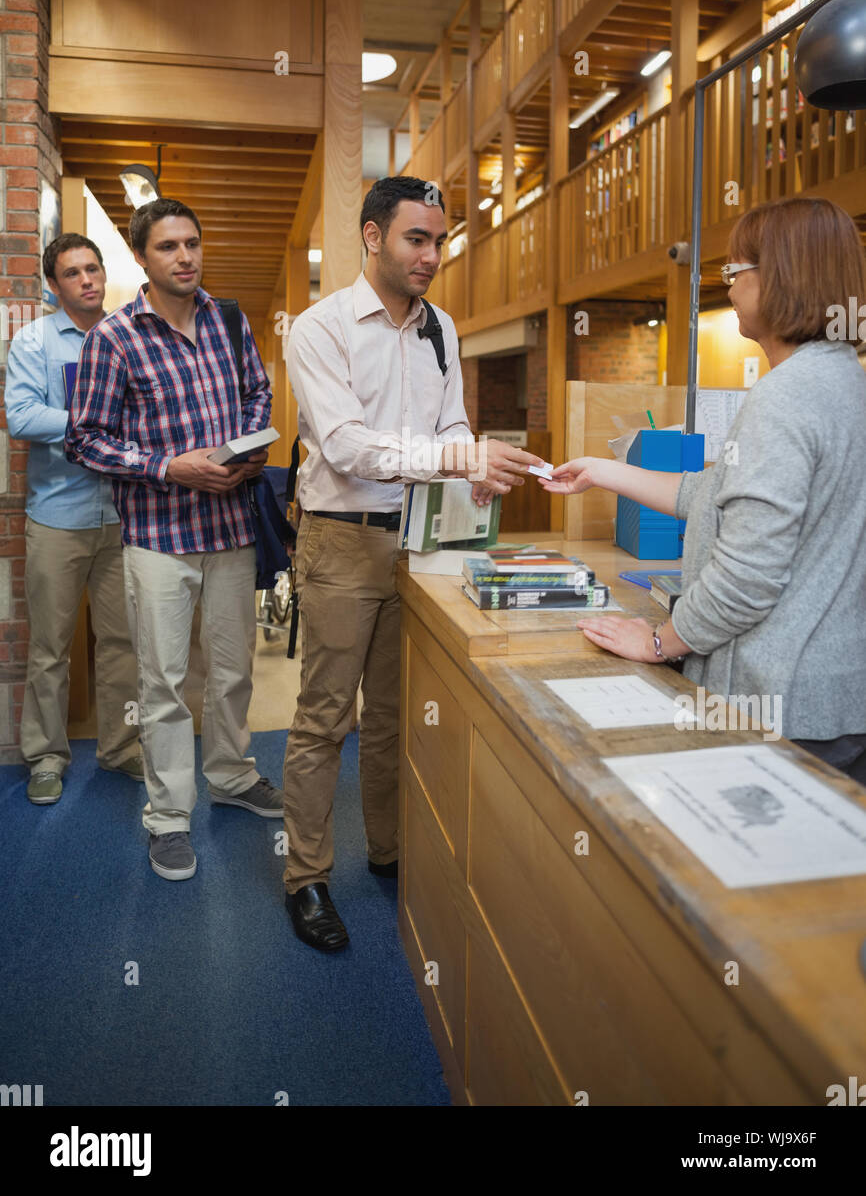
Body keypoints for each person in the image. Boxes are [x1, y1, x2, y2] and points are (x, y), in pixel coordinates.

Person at [283, 175, 546, 951]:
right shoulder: (321, 327)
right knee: (327, 717)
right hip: (341, 538)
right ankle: (306, 877)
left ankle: (390, 852)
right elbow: (345, 444)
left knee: (398, 714)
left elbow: (454, 419)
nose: (432, 255)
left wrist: (475, 461)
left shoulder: (442, 326)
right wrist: (455, 455)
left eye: (440, 240)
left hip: (420, 540)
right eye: (416, 239)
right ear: (373, 236)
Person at [541, 196, 866, 785]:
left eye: (735, 272)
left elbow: (746, 580)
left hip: (781, 702)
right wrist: (600, 469)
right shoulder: (843, 379)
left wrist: (661, 641)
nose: (731, 289)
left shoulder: (785, 398)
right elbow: (711, 496)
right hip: (836, 700)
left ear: (781, 278)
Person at [65, 198, 282, 880]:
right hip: (159, 536)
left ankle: (233, 775)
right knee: (162, 684)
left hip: (230, 529)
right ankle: (167, 817)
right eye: (168, 247)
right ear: (142, 258)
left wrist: (247, 450)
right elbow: (84, 439)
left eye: (192, 243)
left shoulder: (229, 319)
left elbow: (257, 395)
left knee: (232, 671)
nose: (185, 256)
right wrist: (168, 466)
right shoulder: (115, 338)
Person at [6, 234, 141, 804]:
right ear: (54, 285)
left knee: (123, 642)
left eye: (93, 269)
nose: (86, 280)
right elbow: (21, 415)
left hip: (123, 515)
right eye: (72, 273)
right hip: (58, 517)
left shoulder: (131, 336)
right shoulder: (34, 340)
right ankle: (45, 757)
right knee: (50, 648)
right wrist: (93, 422)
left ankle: (122, 748)